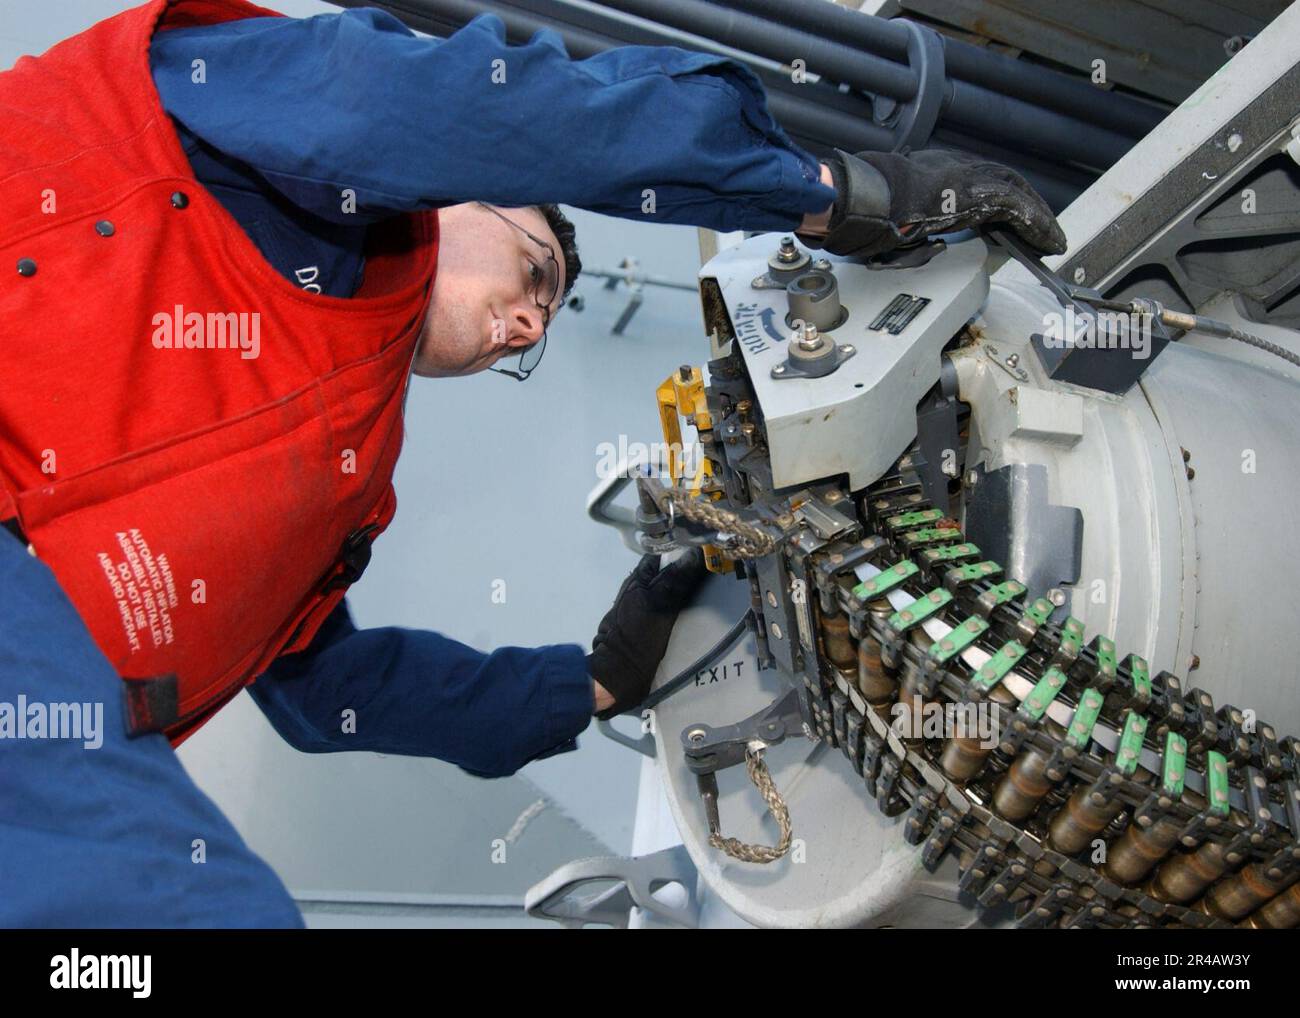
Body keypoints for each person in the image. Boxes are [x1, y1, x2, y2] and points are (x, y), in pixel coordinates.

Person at [0, 0, 1065, 927]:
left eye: (542, 320)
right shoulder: (264, 130)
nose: (525, 321)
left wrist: (593, 679)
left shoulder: (346, 479)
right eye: (532, 270)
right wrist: (832, 192)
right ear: (463, 194)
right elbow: (441, 106)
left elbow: (328, 691)